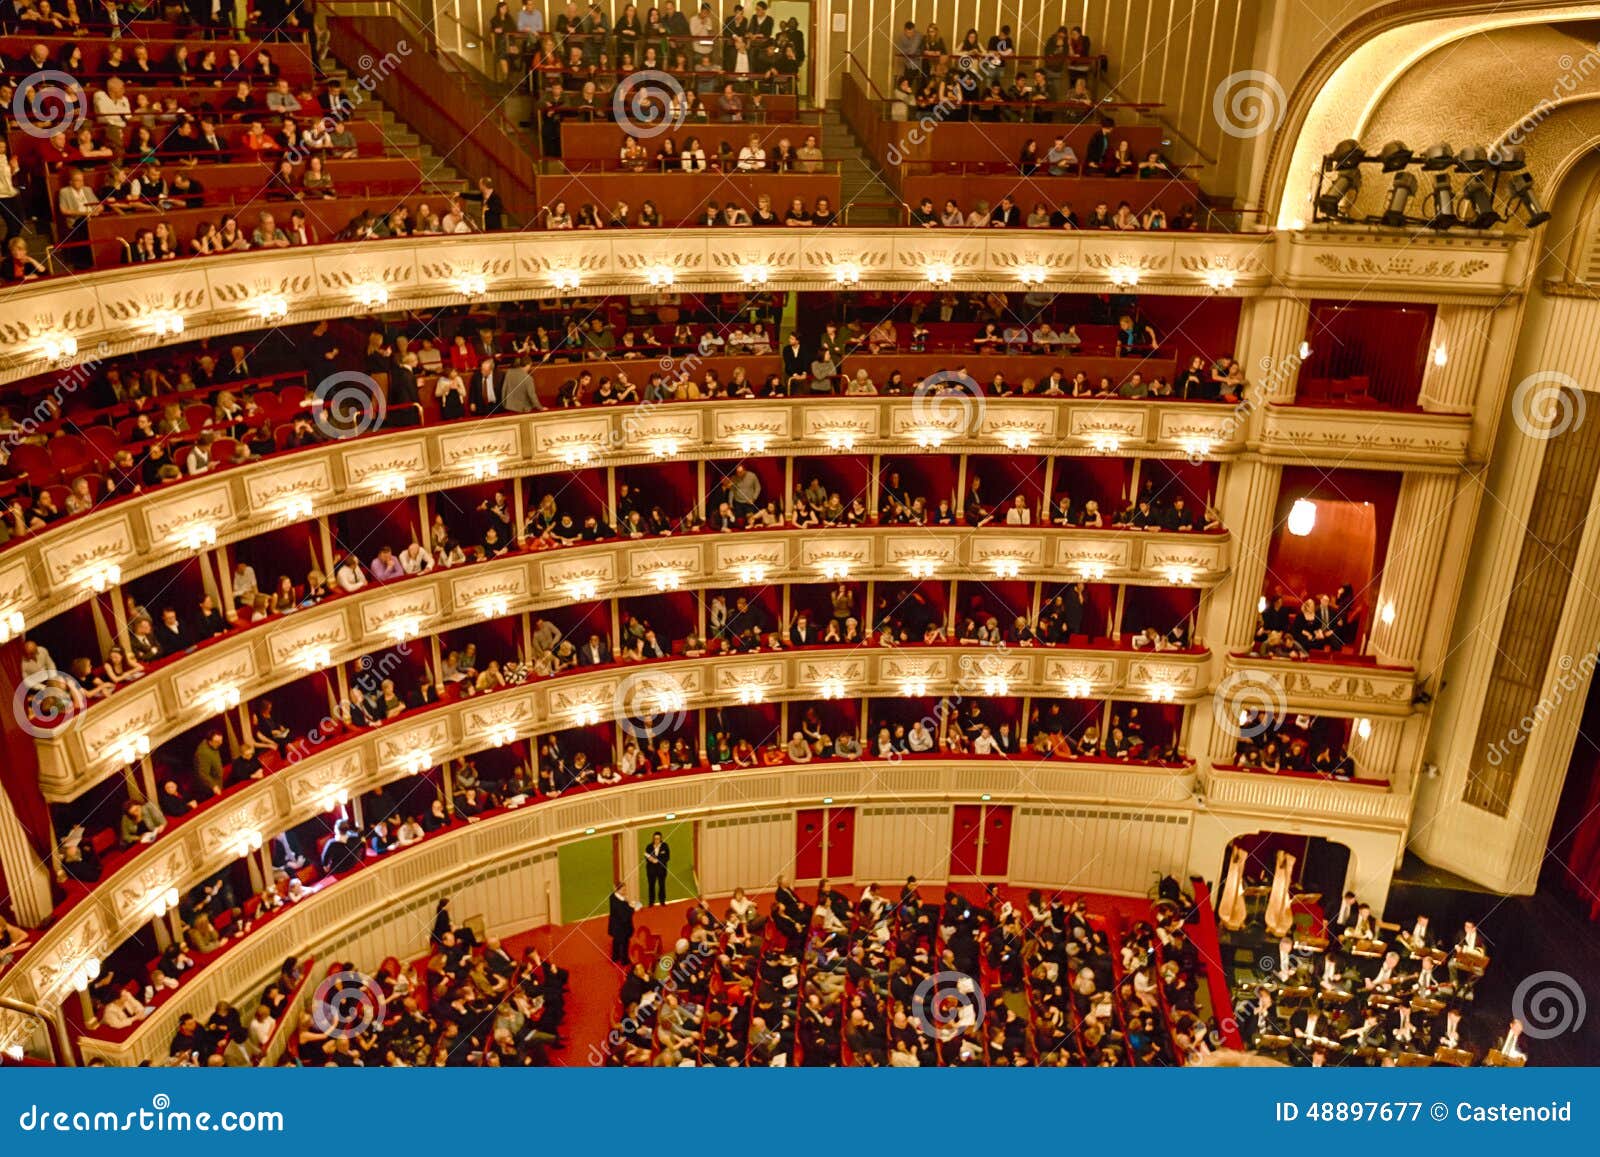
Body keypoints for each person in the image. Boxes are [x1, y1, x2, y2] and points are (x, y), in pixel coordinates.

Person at [608, 883, 635, 964]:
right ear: (618, 890)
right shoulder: (620, 902)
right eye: (623, 890)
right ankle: (624, 960)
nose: (625, 891)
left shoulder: (612, 897)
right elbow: (625, 917)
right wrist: (632, 908)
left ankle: (615, 957)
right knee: (624, 943)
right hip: (622, 928)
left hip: (615, 926)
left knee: (616, 941)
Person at [644, 831, 670, 906]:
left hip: (661, 870)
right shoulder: (649, 846)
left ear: (661, 839)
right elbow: (646, 856)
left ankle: (662, 901)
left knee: (662, 885)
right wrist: (650, 859)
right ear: (653, 839)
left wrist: (658, 861)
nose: (656, 840)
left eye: (658, 839)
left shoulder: (665, 846)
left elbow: (667, 857)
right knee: (651, 886)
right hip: (651, 871)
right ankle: (651, 902)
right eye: (655, 839)